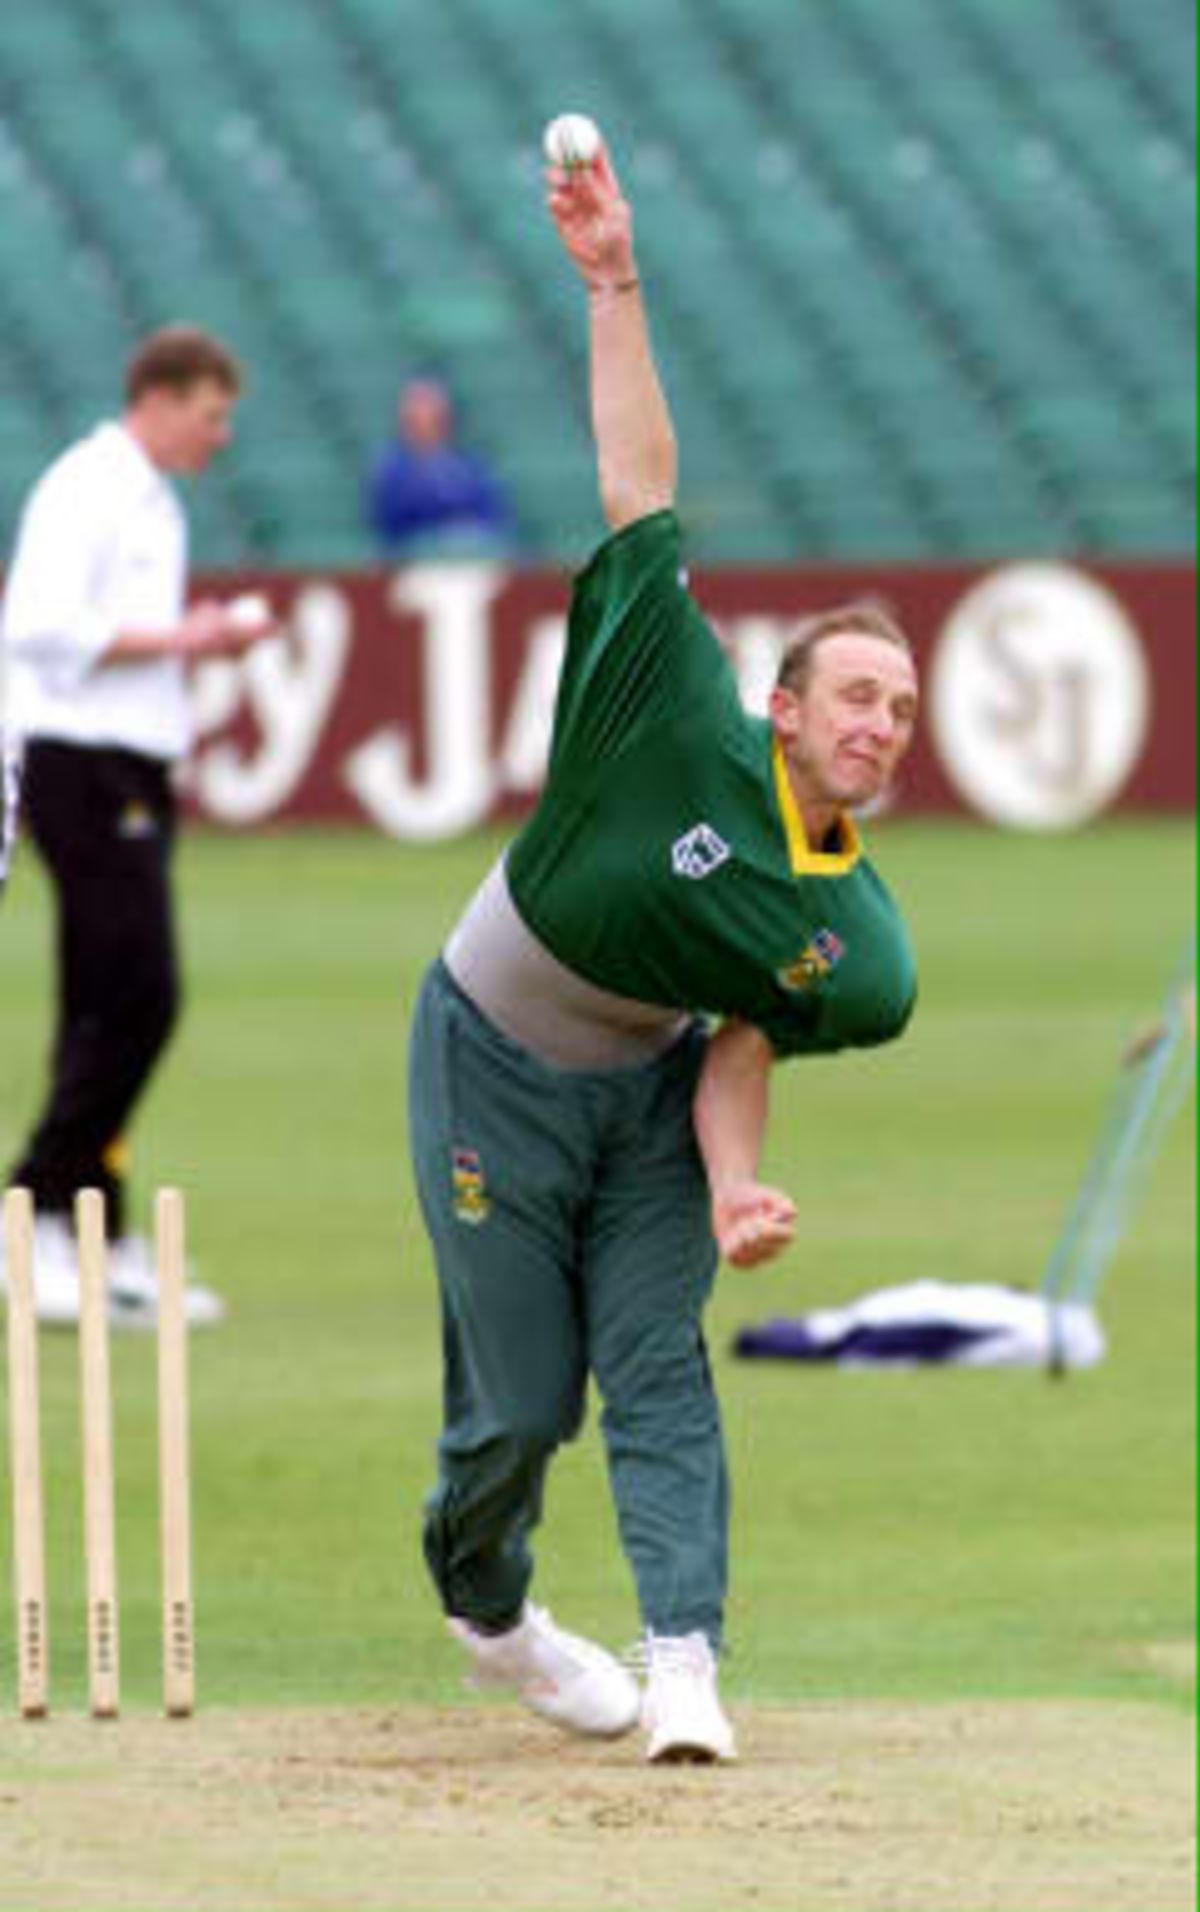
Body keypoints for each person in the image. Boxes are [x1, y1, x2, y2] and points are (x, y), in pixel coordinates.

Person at [406, 134, 921, 1765]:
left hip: (643, 1096)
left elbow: (742, 1038)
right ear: (783, 705)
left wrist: (731, 1187)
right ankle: (487, 1608)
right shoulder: (668, 692)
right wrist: (616, 277)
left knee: (658, 1368)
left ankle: (685, 1657)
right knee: (520, 1409)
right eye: (855, 693)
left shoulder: (863, 940)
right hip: (486, 1041)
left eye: (902, 710)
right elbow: (642, 483)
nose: (880, 723)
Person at [0, 324, 277, 1329]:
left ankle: (89, 1226)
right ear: (159, 397)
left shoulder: (148, 495)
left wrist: (182, 642)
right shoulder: (90, 486)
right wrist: (187, 636)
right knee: (141, 996)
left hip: (129, 763)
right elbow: (32, 623)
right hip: (81, 759)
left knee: (102, 998)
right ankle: (31, 1208)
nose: (220, 435)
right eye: (211, 414)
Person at [364, 375, 516, 558]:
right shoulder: (392, 470)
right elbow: (393, 519)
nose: (424, 423)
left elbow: (491, 512)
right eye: (415, 417)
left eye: (432, 416)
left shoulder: (469, 465)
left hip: (471, 557)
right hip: (415, 559)